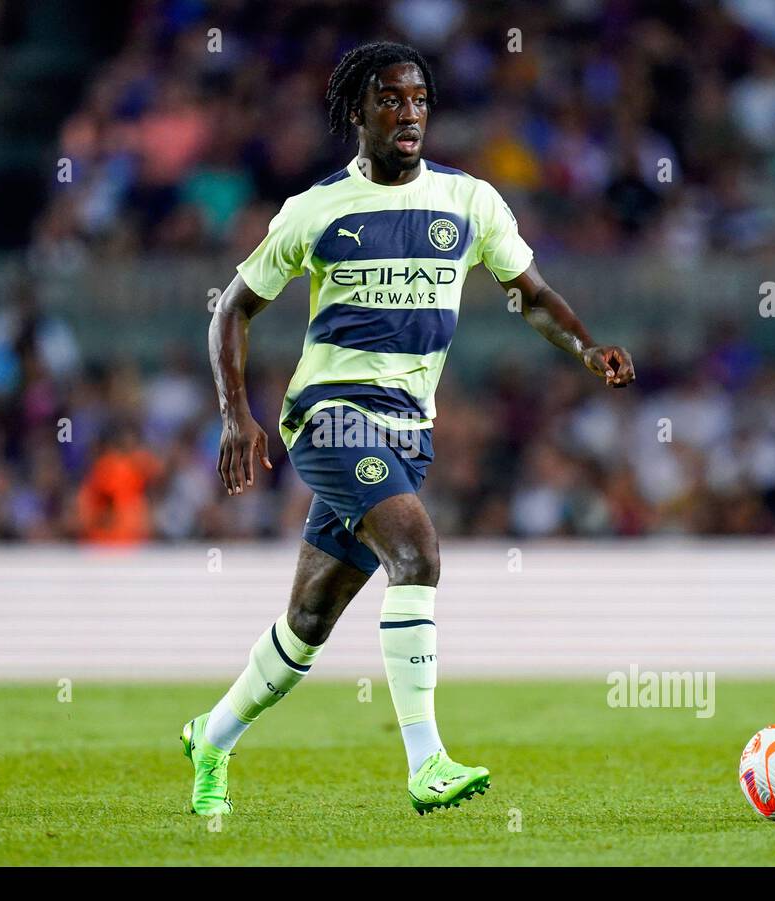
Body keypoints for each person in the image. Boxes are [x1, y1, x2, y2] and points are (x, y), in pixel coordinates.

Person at [183, 41, 635, 816]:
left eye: (419, 99)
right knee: (417, 554)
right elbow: (233, 308)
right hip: (327, 418)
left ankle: (212, 738)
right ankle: (426, 762)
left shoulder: (471, 202)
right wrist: (236, 414)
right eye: (390, 99)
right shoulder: (316, 210)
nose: (409, 113)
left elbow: (529, 293)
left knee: (307, 626)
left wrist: (587, 346)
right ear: (358, 111)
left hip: (407, 433)